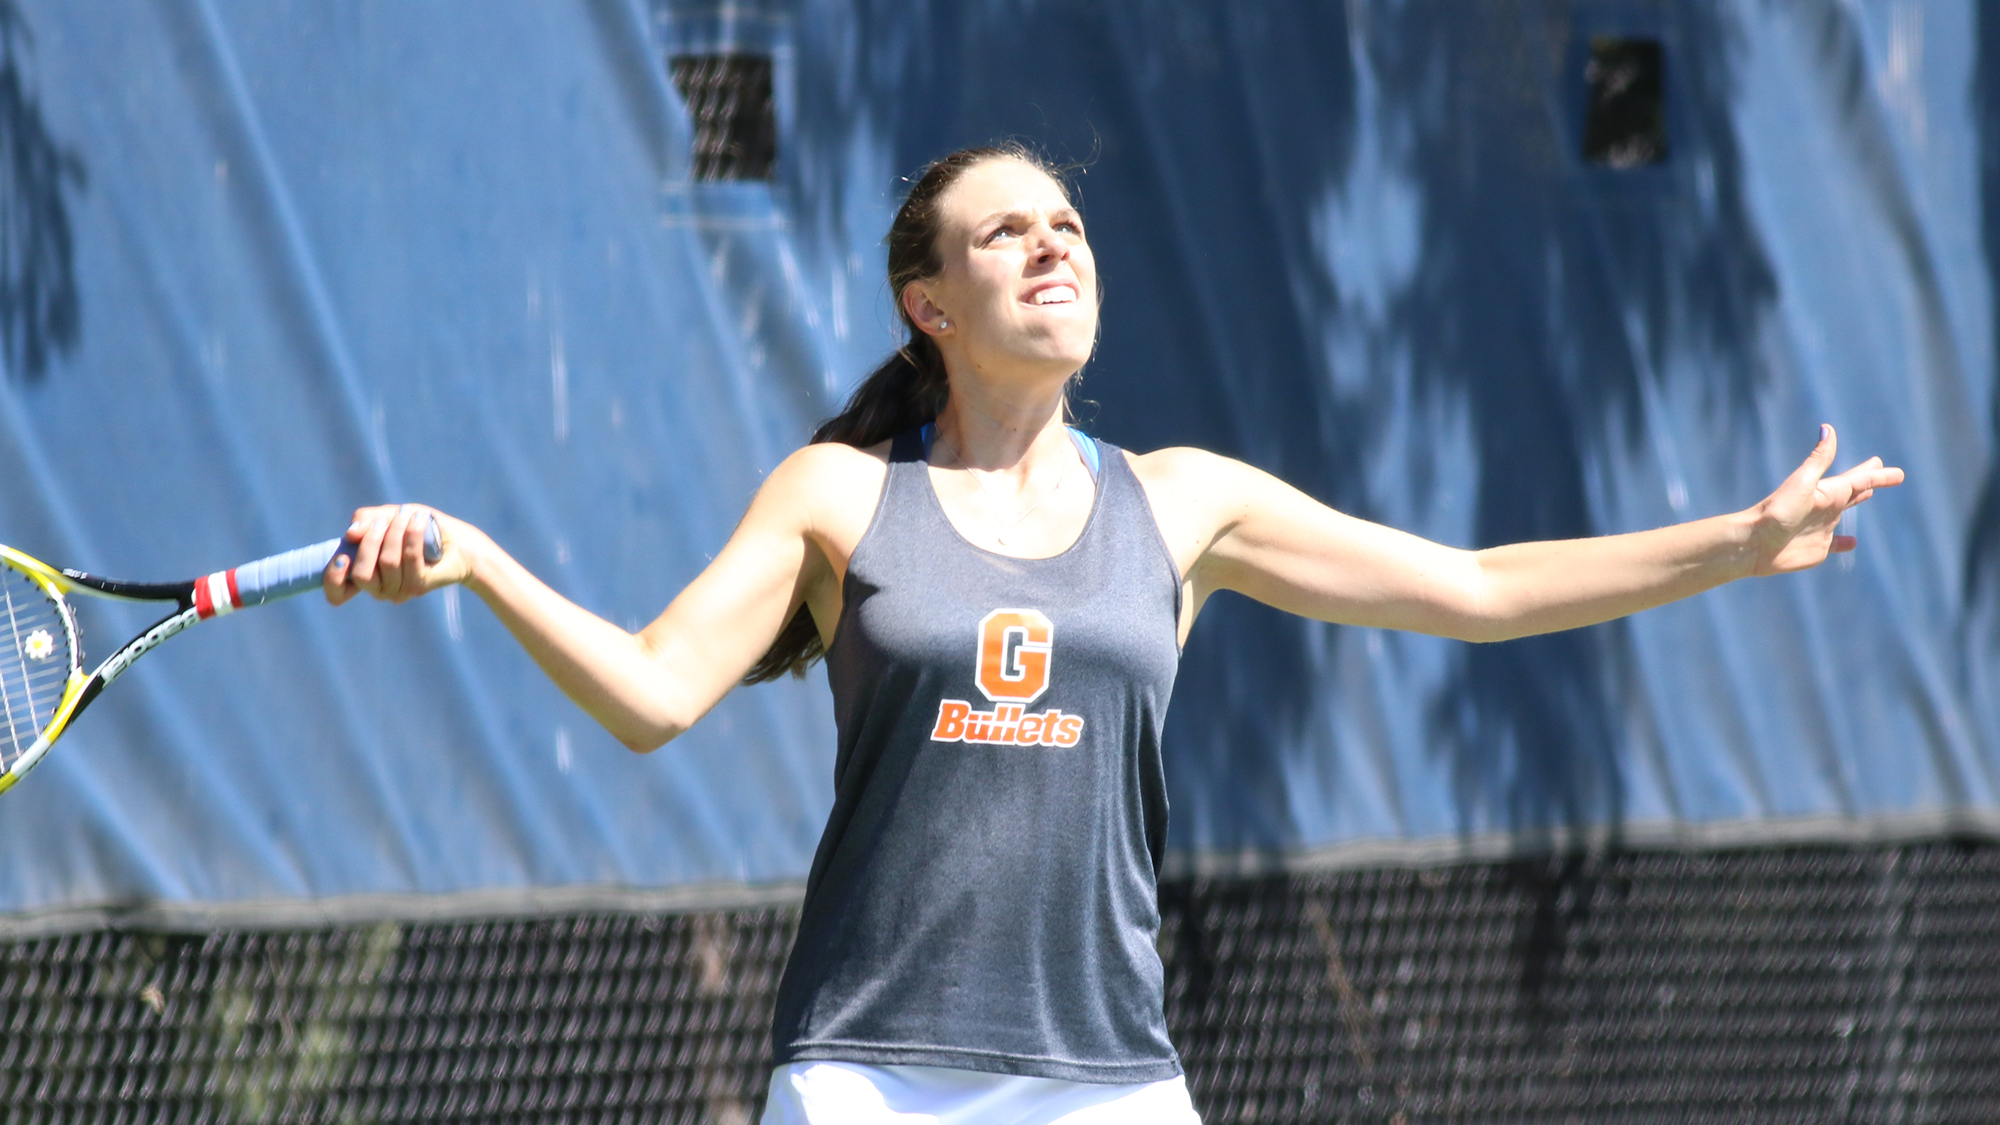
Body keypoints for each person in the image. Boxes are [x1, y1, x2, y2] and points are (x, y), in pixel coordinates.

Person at [326, 143, 1904, 1124]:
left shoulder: (1183, 501)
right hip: (869, 1078)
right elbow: (658, 690)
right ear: (927, 304)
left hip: (1114, 1084)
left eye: (1067, 225)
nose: (1053, 245)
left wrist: (1738, 543)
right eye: (1006, 232)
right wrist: (475, 561)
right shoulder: (837, 497)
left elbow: (1474, 586)